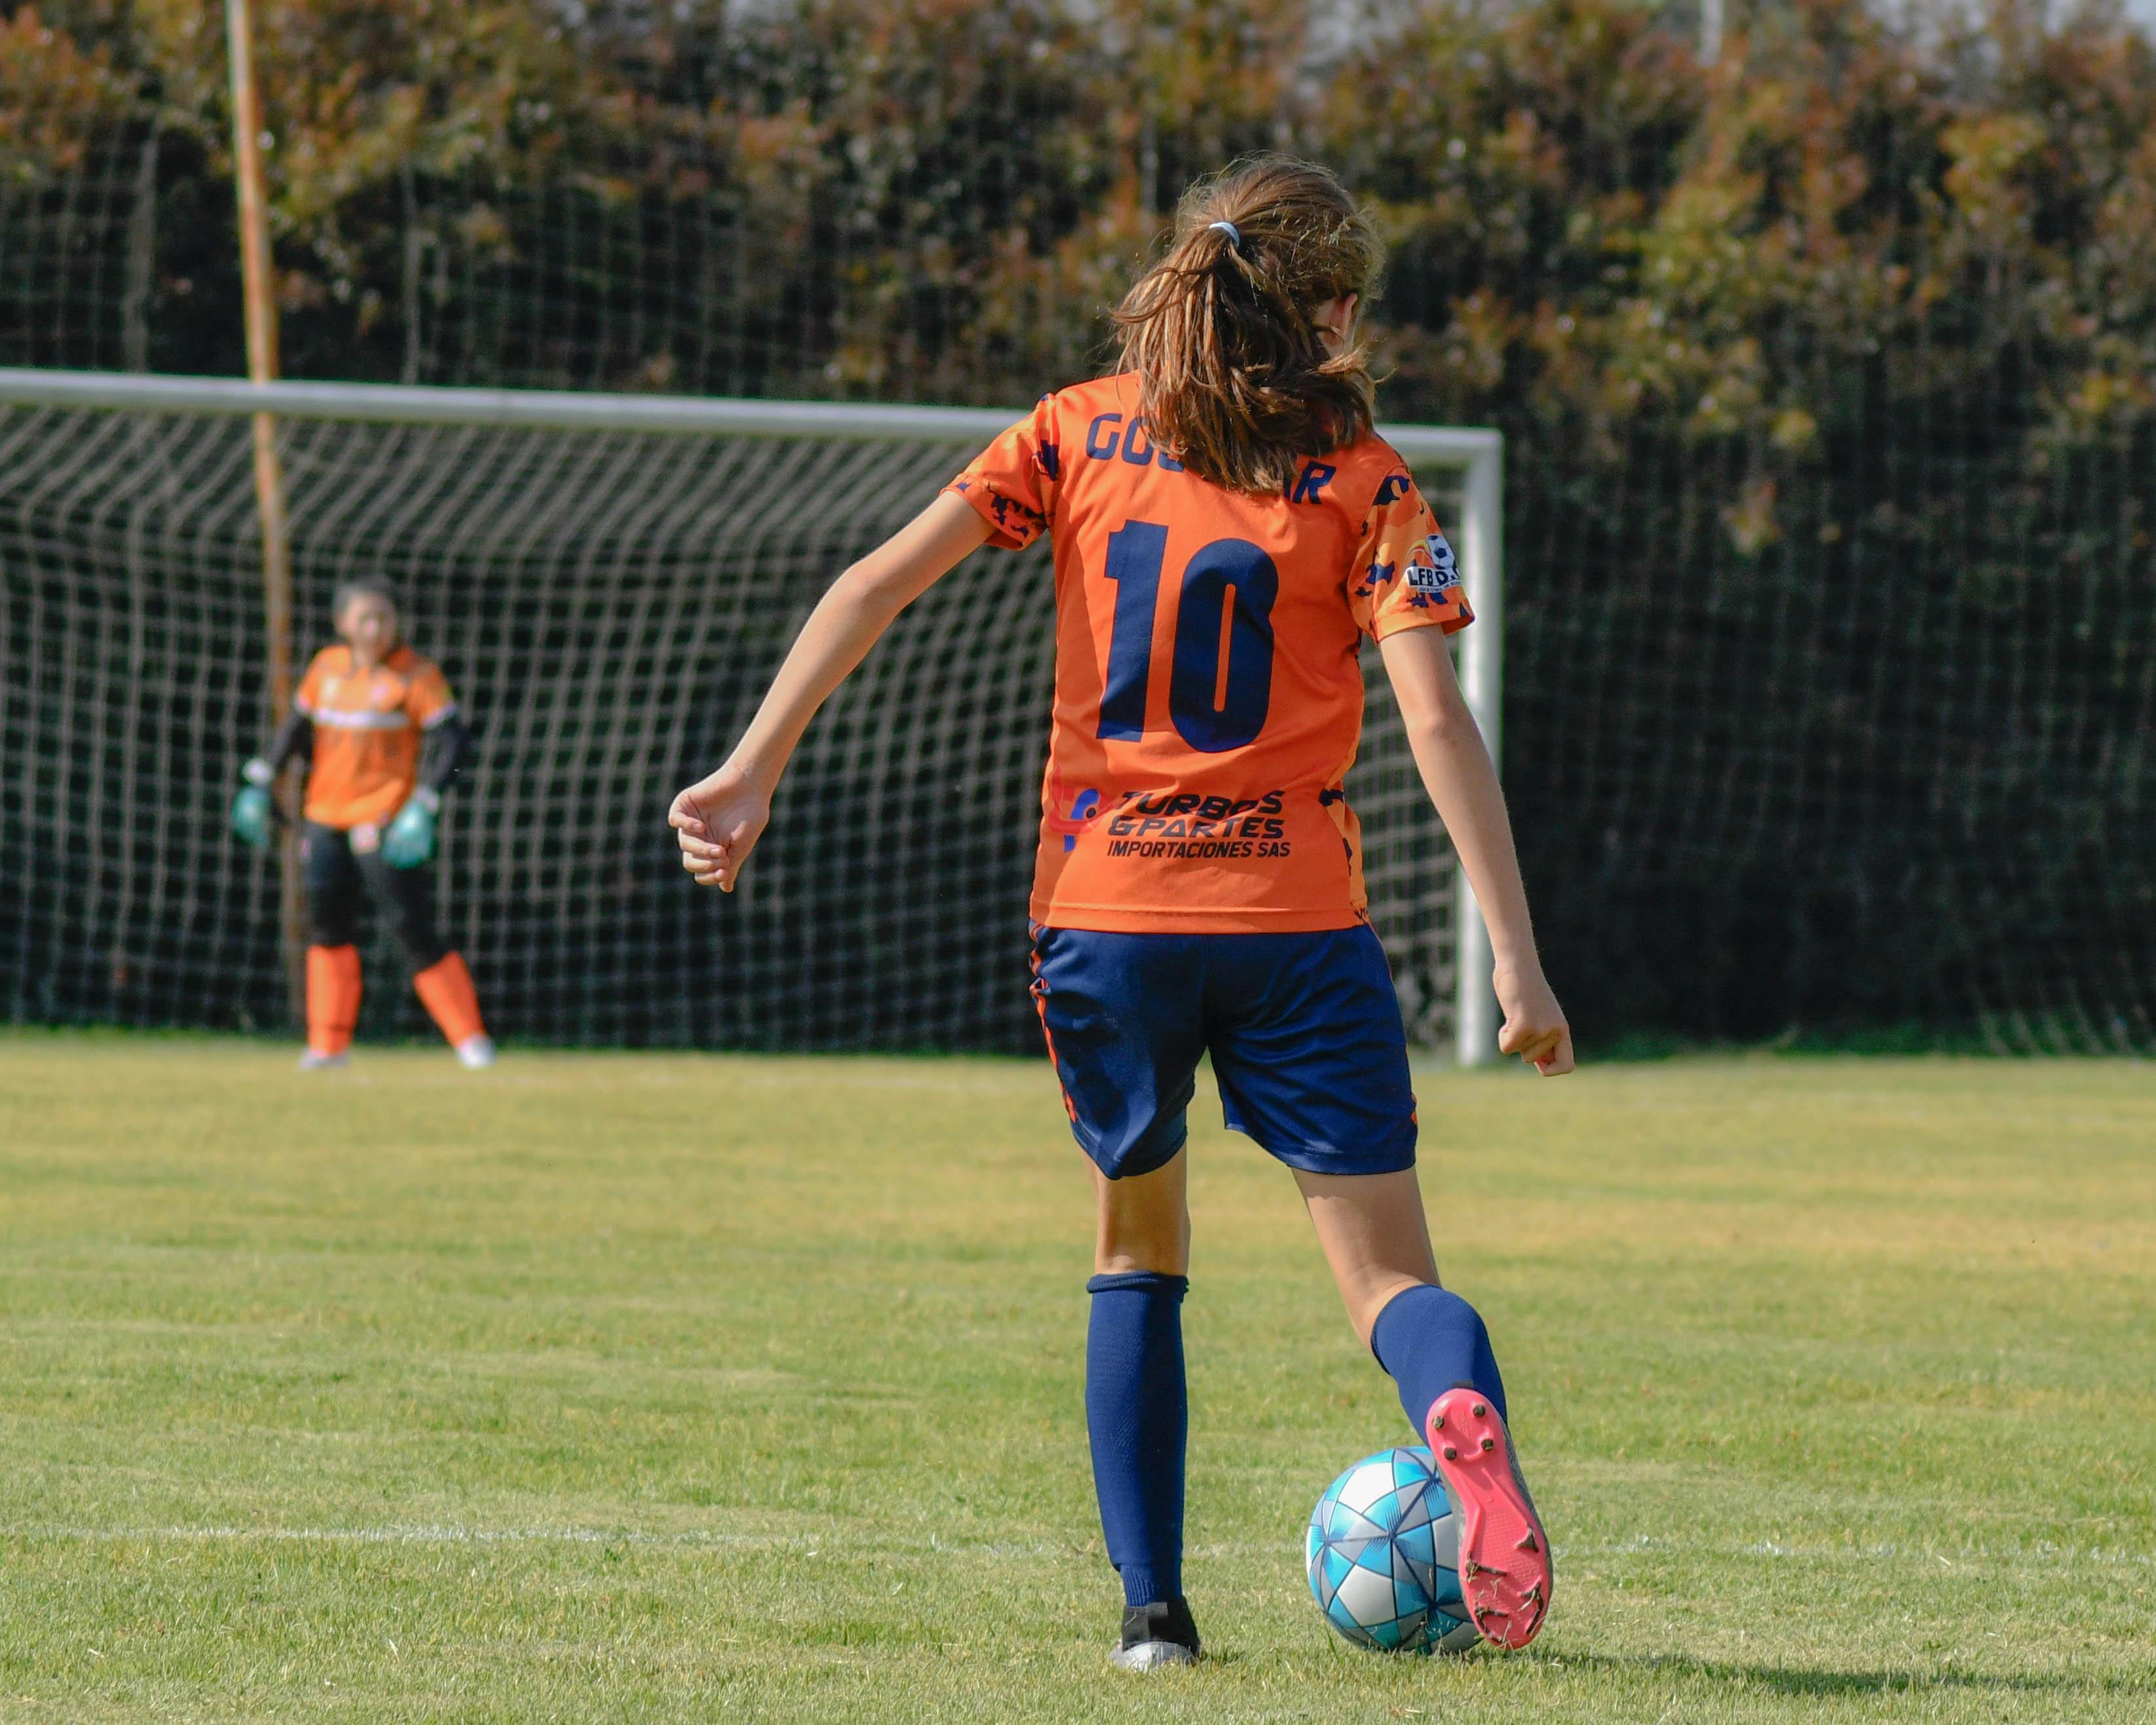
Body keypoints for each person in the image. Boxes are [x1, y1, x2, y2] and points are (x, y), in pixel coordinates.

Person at [668, 155, 1572, 1668]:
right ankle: (1451, 1413)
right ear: (1328, 313)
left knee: (1139, 1246)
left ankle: (1154, 1619)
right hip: (1298, 924)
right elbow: (1433, 726)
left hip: (1110, 918)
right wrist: (1516, 958)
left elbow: (877, 581)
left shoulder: (1077, 430)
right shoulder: (1368, 475)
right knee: (1393, 1281)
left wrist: (753, 766)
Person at [232, 577, 494, 1071]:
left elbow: (455, 741)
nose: (375, 628)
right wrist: (260, 780)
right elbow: (295, 728)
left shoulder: (415, 675)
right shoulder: (327, 669)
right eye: (365, 618)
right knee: (327, 926)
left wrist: (425, 803)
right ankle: (328, 1045)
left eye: (385, 618)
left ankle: (470, 1040)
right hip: (325, 819)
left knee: (409, 926)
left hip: (385, 819)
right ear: (343, 624)